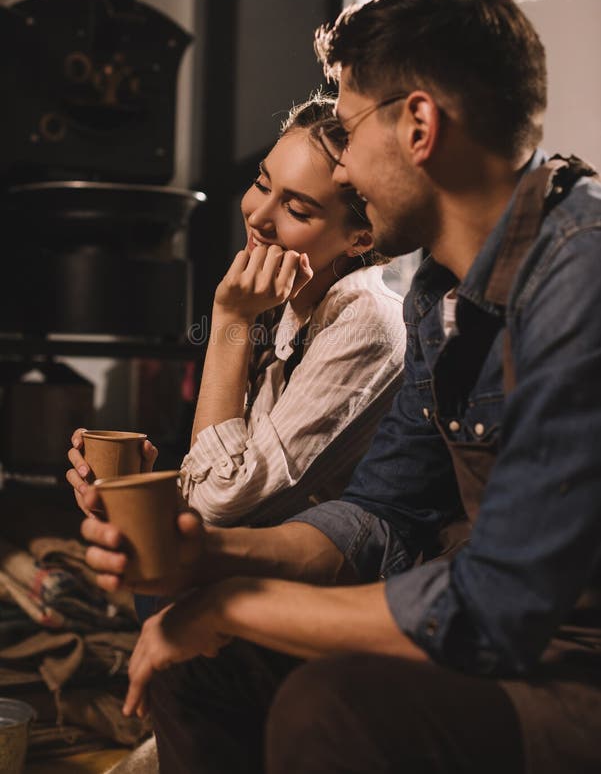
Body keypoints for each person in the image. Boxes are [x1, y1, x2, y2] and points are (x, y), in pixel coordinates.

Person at [81, 0, 601, 774]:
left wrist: (231, 601)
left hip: (570, 667)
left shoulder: (579, 276)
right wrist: (207, 558)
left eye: (349, 130)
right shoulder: (443, 291)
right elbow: (380, 516)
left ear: (419, 126)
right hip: (495, 634)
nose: (345, 167)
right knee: (198, 660)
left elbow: (499, 607)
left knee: (331, 709)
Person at [68, 94, 405, 527]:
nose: (258, 217)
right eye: (263, 185)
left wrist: (231, 317)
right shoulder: (292, 310)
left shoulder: (367, 322)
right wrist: (129, 490)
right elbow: (222, 482)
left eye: (296, 209)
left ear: (362, 238)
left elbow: (220, 505)